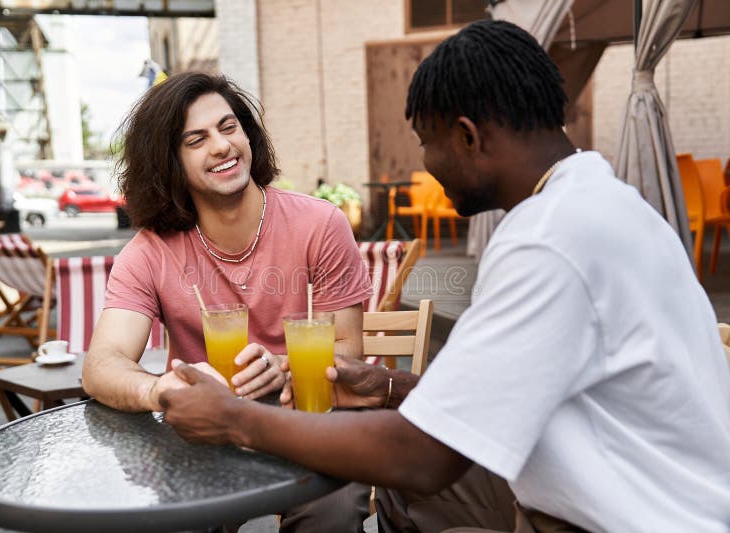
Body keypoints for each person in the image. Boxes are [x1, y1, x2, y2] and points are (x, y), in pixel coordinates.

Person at [159, 20, 730, 533]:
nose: (424, 164)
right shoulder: (603, 202)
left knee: (407, 478)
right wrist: (389, 388)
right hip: (668, 493)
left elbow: (424, 458)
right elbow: (501, 393)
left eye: (424, 141)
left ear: (467, 136)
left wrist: (236, 419)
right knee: (404, 499)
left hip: (641, 517)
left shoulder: (547, 240)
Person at [81, 72, 373, 531]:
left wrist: (285, 365)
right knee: (167, 518)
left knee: (332, 511)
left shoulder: (320, 225)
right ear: (169, 162)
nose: (221, 146)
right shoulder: (150, 251)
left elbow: (349, 350)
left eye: (228, 127)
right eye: (196, 139)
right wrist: (158, 390)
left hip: (308, 424)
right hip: (204, 435)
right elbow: (102, 363)